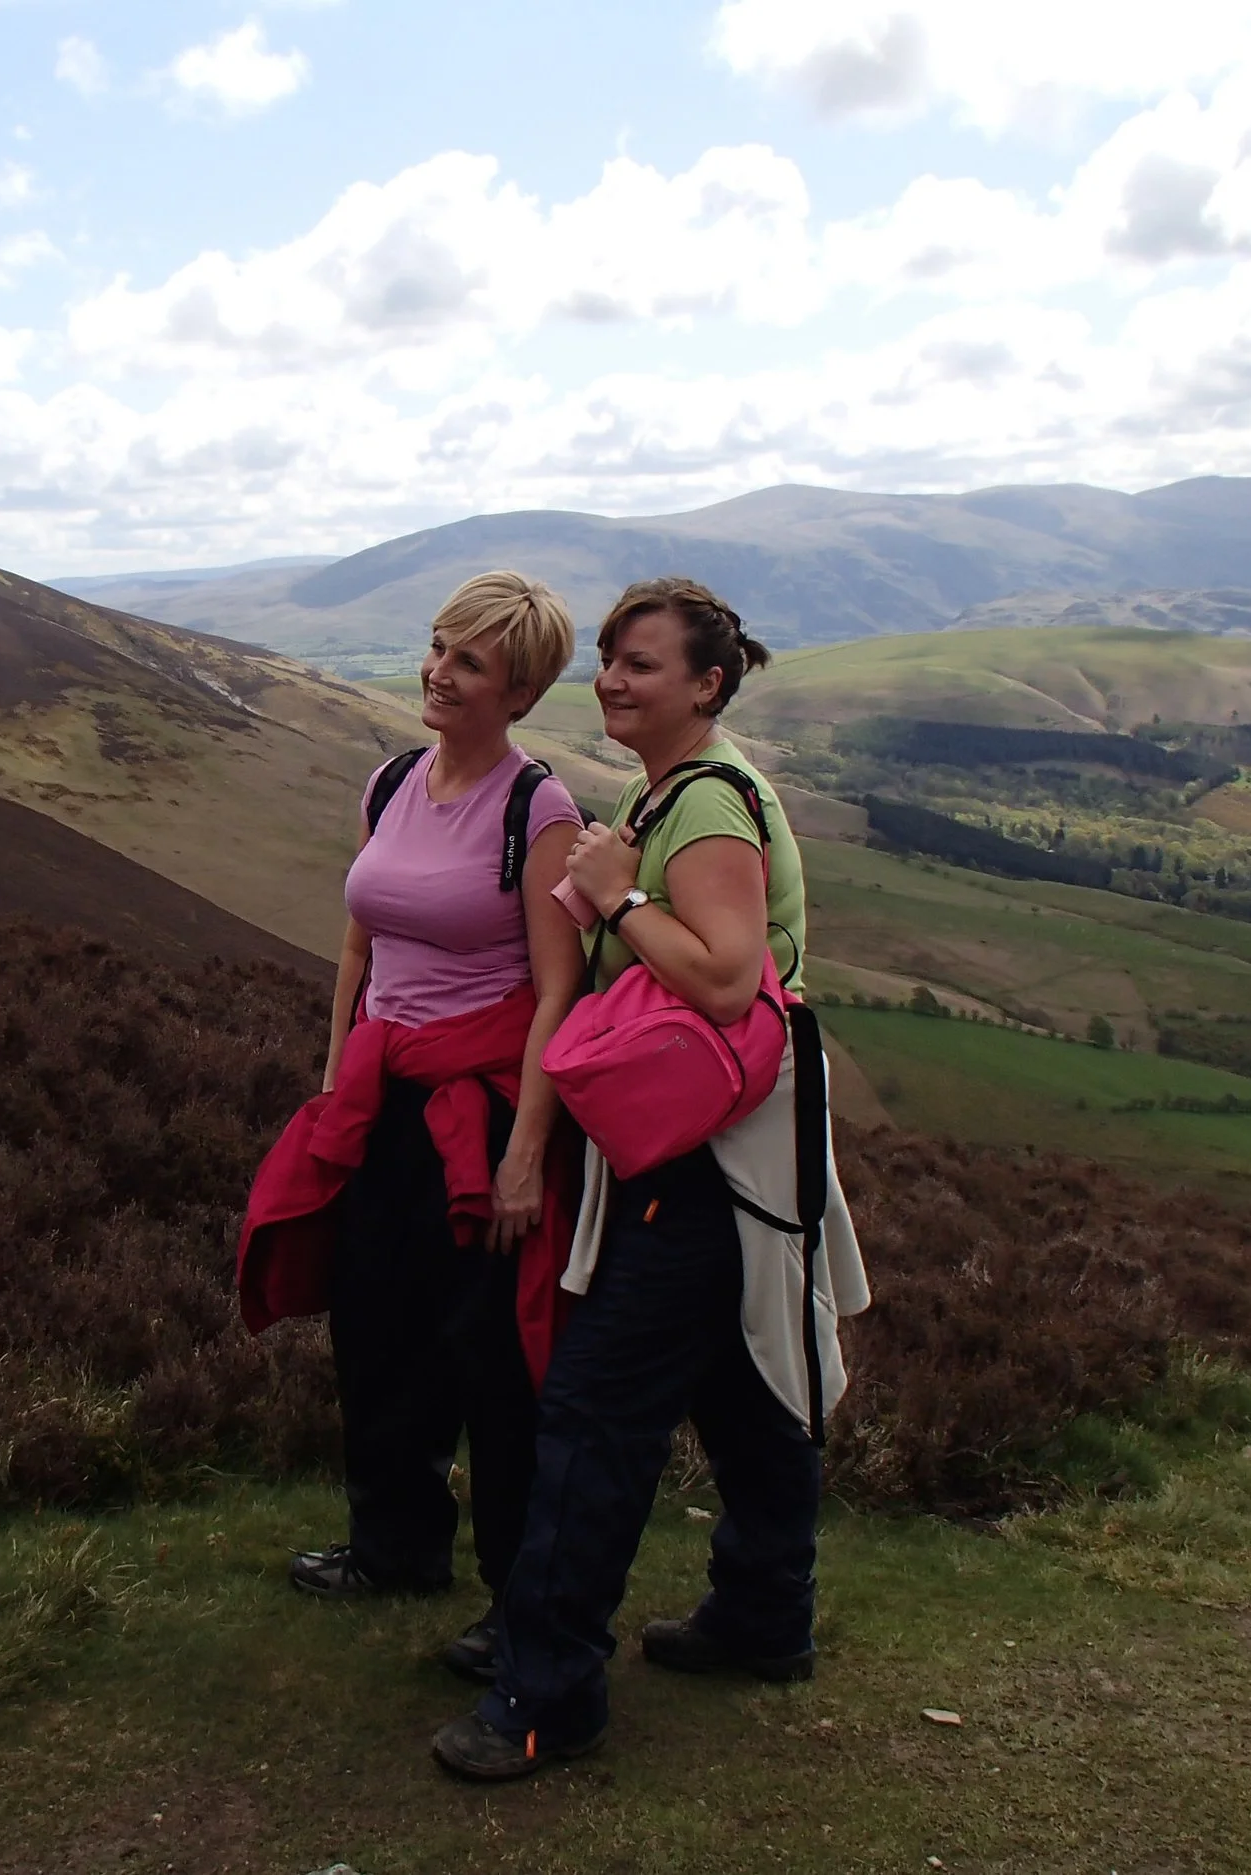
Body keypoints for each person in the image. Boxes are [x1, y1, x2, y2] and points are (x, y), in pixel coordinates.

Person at [430, 576, 871, 1780]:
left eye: (643, 664)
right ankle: (762, 1616)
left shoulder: (710, 807)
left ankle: (547, 1694)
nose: (615, 681)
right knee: (740, 1387)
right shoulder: (663, 791)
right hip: (736, 1149)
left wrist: (620, 888)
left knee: (592, 1417)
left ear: (708, 684)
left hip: (704, 1161)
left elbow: (726, 980)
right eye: (610, 661)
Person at [237, 570, 585, 1681]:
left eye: (469, 661)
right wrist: (338, 1072)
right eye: (438, 648)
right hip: (383, 1101)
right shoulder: (390, 782)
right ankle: (393, 1548)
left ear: (518, 690)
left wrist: (528, 1149)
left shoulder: (542, 812)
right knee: (374, 1327)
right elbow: (359, 943)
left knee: (490, 1357)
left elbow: (553, 995)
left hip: (478, 1117)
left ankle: (511, 1598)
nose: (439, 672)